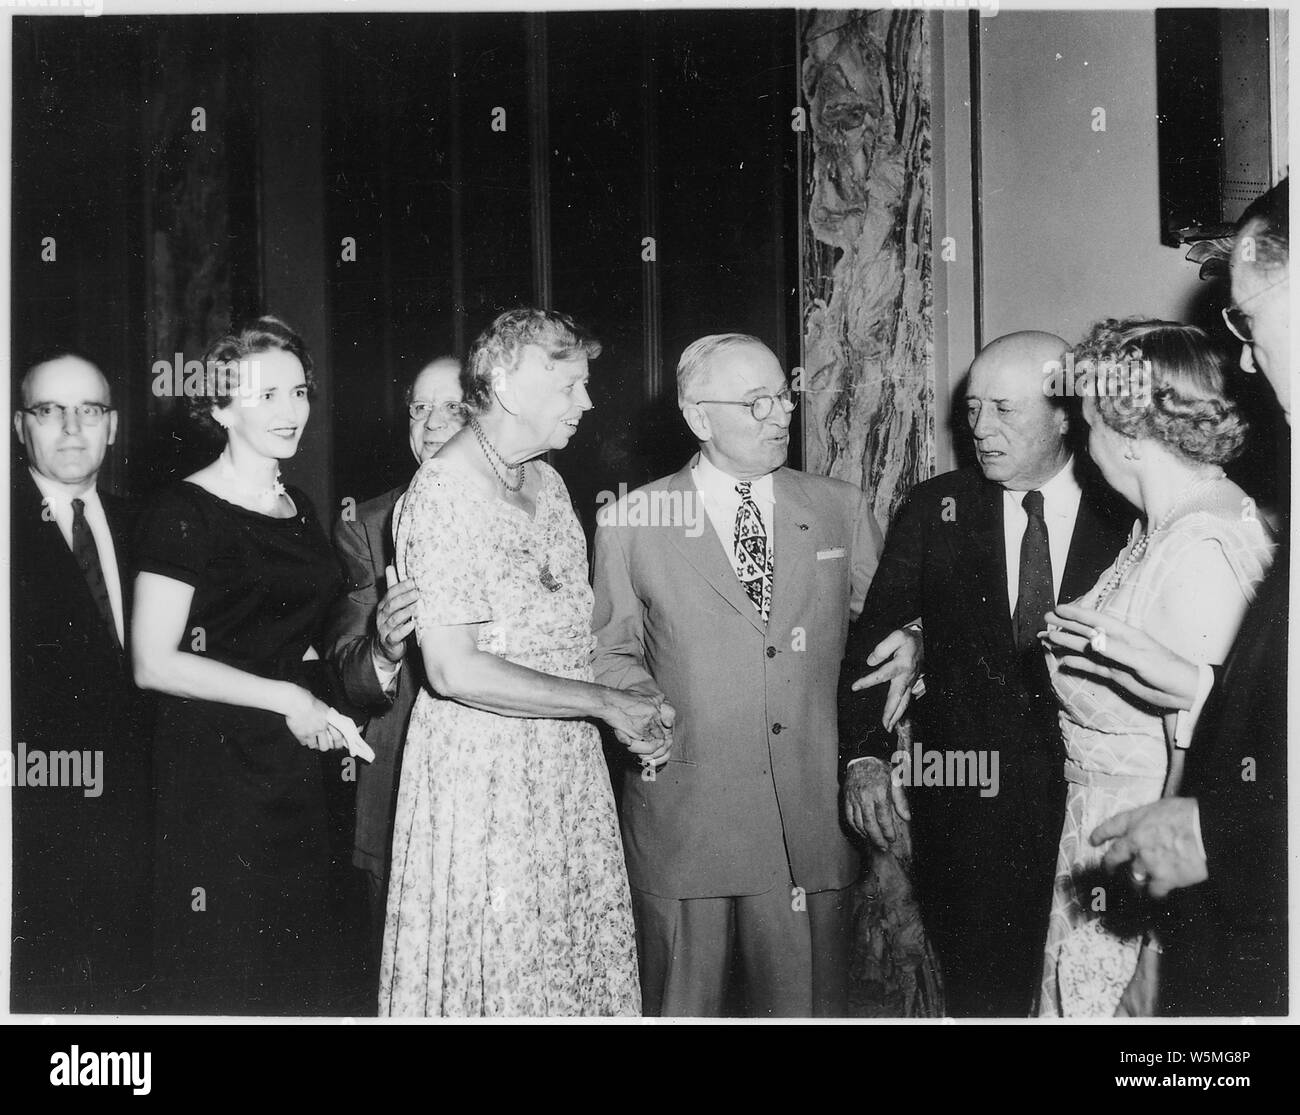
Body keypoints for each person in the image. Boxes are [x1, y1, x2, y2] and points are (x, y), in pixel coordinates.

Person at [379, 308, 667, 1017]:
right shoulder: (442, 493)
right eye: (569, 385)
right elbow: (454, 671)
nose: (588, 402)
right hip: (485, 786)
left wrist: (630, 702)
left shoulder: (550, 484)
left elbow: (571, 638)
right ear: (505, 384)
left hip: (565, 775)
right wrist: (600, 703)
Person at [1046, 179, 1289, 1016]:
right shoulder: (1163, 530)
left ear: (1122, 430)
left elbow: (1215, 770)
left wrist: (1156, 949)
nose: (1083, 448)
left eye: (1083, 426)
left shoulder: (1201, 547)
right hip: (1116, 849)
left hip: (1151, 874)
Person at [839, 331, 1131, 1017]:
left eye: (1005, 409)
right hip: (969, 820)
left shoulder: (1124, 506)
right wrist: (864, 758)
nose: (979, 429)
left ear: (1066, 413)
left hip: (1090, 817)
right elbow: (870, 649)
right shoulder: (936, 508)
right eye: (972, 409)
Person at [591, 333, 883, 1017]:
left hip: (807, 824)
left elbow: (885, 626)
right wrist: (640, 710)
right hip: (687, 822)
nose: (781, 413)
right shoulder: (631, 520)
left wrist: (914, 640)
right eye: (756, 402)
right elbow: (609, 649)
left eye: (783, 395)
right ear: (698, 417)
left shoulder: (840, 505)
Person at [132, 316, 352, 1015]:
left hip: (289, 767)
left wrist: (323, 704)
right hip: (214, 776)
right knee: (225, 971)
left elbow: (292, 635)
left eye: (300, 392)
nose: (291, 412)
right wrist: (289, 698)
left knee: (292, 972)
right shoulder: (183, 511)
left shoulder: (299, 506)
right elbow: (153, 661)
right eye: (266, 396)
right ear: (221, 407)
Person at [9, 352, 153, 1013]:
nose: (71, 427)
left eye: (89, 410)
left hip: (140, 842)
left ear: (113, 426)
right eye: (49, 410)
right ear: (20, 427)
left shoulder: (147, 526)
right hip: (35, 842)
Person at [324, 356, 465, 976]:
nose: (431, 425)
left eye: (452, 407)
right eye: (419, 408)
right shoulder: (369, 524)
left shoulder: (537, 507)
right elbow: (347, 674)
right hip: (405, 795)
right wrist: (382, 651)